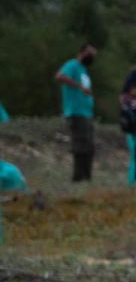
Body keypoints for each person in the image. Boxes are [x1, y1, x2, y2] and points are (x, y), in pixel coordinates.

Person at [55, 44, 97, 182]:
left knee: (89, 145)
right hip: (76, 111)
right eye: (89, 53)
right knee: (80, 144)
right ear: (82, 52)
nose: (91, 57)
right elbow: (60, 76)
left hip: (87, 113)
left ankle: (87, 176)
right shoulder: (72, 65)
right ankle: (78, 177)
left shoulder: (84, 70)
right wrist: (79, 86)